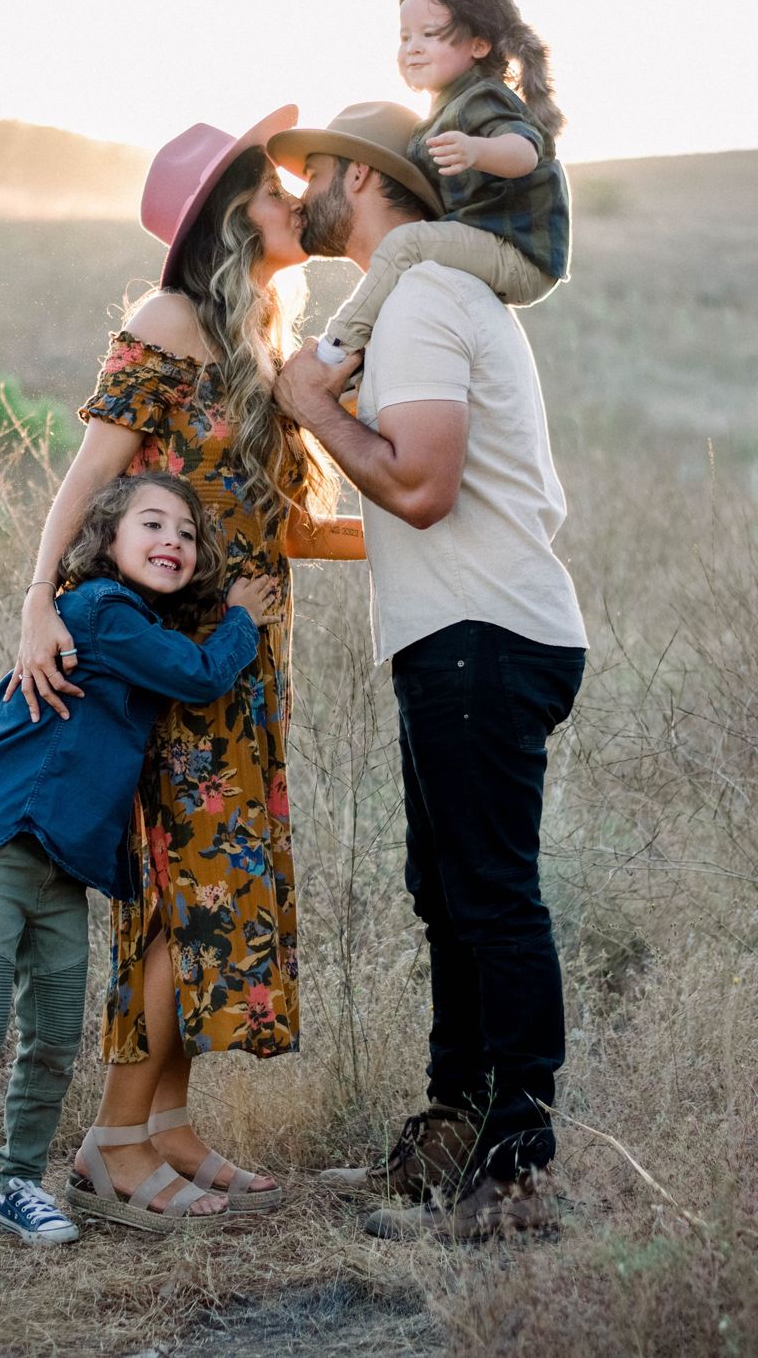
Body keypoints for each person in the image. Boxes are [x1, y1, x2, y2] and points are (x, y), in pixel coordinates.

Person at [5, 107, 365, 1227]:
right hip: (175, 658)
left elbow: (291, 527)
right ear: (227, 213)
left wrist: (446, 517)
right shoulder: (168, 320)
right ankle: (112, 1143)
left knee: (210, 892)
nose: (295, 198)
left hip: (250, 657)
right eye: (273, 187)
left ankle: (166, 1125)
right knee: (182, 889)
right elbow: (89, 479)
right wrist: (35, 604)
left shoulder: (258, 334)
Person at [269, 100, 587, 1240]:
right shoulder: (419, 301)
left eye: (317, 172)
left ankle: (517, 1173)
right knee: (449, 896)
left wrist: (310, 407)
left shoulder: (421, 301)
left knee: (490, 899)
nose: (301, 187)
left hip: (482, 638)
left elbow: (421, 486)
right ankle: (453, 1138)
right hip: (465, 632)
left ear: (363, 180)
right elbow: (417, 500)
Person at [0, 473, 276, 1266]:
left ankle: (18, 1182)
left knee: (52, 1035)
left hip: (61, 863)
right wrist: (243, 617)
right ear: (107, 539)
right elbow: (203, 675)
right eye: (152, 523)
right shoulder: (101, 612)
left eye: (186, 532)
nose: (173, 540)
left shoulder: (130, 623)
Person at [314, 0, 569, 370]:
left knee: (407, 243)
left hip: (521, 256)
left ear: (479, 45)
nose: (412, 47)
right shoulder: (443, 109)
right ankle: (369, 356)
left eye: (430, 34)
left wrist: (478, 151)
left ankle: (335, 348)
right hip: (495, 245)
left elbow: (526, 152)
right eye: (405, 36)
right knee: (411, 249)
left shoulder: (485, 98)